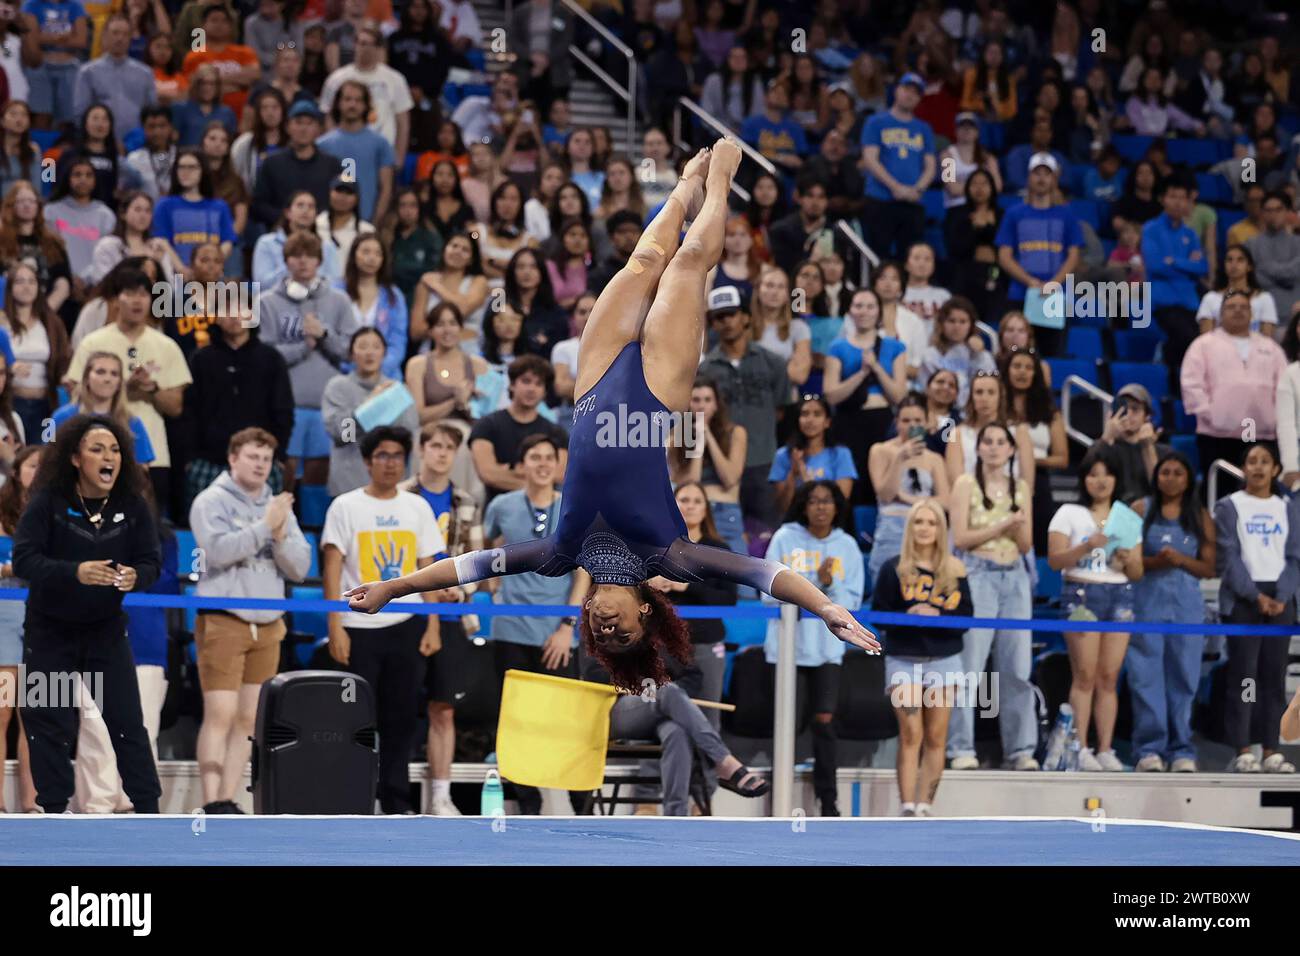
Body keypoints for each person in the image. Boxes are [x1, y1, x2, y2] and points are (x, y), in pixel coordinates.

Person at [346, 141, 879, 693]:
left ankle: (683, 188)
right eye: (622, 635)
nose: (605, 630)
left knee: (644, 261)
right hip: (657, 391)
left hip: (594, 384)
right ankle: (716, 179)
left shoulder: (561, 554)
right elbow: (764, 573)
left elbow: (473, 565)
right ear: (646, 616)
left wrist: (395, 587)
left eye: (601, 639)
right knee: (689, 263)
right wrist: (826, 608)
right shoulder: (667, 555)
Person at [13, 414, 162, 814]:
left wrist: (137, 576)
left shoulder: (132, 506)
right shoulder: (49, 503)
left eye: (114, 449)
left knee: (128, 722)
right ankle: (55, 810)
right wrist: (73, 572)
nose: (107, 456)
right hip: (50, 633)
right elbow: (24, 560)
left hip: (106, 633)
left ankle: (149, 809)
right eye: (97, 449)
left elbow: (152, 561)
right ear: (76, 458)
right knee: (49, 724)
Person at [322, 425, 444, 814]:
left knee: (402, 720)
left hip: (406, 626)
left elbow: (429, 570)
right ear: (366, 461)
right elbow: (332, 569)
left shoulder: (417, 507)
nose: (390, 463)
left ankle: (396, 802)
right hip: (358, 628)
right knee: (354, 721)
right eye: (382, 455)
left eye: (397, 456)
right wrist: (334, 626)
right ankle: (353, 800)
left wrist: (434, 622)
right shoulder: (345, 506)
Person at [189, 427, 310, 813]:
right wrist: (266, 527)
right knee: (220, 713)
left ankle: (228, 798)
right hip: (225, 618)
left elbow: (300, 567)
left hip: (269, 621)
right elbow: (218, 551)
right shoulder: (211, 502)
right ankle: (210, 801)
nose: (260, 465)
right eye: (252, 456)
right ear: (233, 458)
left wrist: (276, 532)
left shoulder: (278, 507)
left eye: (266, 459)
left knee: (248, 717)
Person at [481, 432, 587, 814]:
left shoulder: (576, 506)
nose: (542, 464)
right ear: (522, 465)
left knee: (567, 723)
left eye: (549, 458)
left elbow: (583, 573)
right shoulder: (501, 505)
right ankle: (529, 806)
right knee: (517, 722)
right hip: (510, 630)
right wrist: (494, 593)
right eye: (534, 457)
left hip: (556, 635)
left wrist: (566, 626)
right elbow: (484, 549)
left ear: (558, 465)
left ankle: (582, 808)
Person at [763, 480, 864, 816]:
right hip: (786, 650)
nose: (820, 507)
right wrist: (818, 588)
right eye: (813, 501)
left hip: (827, 652)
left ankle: (829, 804)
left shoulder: (847, 546)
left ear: (837, 507)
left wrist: (828, 585)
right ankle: (779, 803)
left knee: (824, 724)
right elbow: (766, 593)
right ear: (803, 506)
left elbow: (853, 600)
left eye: (827, 501)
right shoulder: (784, 538)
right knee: (784, 727)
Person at [1047, 443, 1145, 772]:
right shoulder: (1068, 513)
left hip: (1121, 595)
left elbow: (1137, 572)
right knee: (1085, 676)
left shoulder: (1127, 518)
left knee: (1109, 677)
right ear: (1083, 479)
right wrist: (1087, 545)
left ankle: (1105, 749)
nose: (1100, 481)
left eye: (1106, 475)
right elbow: (1055, 560)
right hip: (1081, 594)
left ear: (1116, 479)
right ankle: (1080, 748)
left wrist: (1130, 559)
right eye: (1092, 474)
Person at [947, 421, 1038, 771]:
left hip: (1014, 577)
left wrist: (1016, 531)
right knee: (970, 666)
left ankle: (1021, 750)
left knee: (1017, 668)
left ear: (1012, 449)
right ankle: (961, 748)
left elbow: (1028, 543)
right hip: (978, 575)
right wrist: (1003, 526)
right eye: (988, 441)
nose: (994, 447)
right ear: (979, 447)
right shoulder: (965, 484)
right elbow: (961, 538)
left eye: (1001, 442)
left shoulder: (1021, 487)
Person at [399, 423, 480, 816]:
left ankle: (440, 795)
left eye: (450, 447)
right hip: (405, 611)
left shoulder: (466, 501)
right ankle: (389, 793)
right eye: (435, 445)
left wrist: (459, 591)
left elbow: (481, 564)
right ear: (422, 449)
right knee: (397, 707)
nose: (442, 453)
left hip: (450, 615)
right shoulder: (401, 496)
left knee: (444, 708)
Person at [875, 499, 973, 816]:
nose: (925, 529)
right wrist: (911, 613)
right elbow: (880, 615)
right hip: (904, 659)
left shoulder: (956, 570)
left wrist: (938, 614)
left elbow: (966, 620)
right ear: (910, 528)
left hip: (944, 660)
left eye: (931, 523)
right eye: (919, 522)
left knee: (935, 736)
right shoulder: (893, 568)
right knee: (911, 733)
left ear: (940, 529)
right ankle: (906, 806)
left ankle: (925, 806)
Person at [65, 267, 188, 509]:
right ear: (115, 299)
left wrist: (151, 388)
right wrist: (121, 388)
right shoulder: (94, 342)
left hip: (152, 452)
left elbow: (176, 407)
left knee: (148, 527)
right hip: (95, 452)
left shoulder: (167, 346)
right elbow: (75, 393)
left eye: (144, 294)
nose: (137, 300)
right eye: (130, 293)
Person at [1214, 442, 1299, 773]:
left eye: (1266, 462)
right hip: (1244, 599)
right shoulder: (1229, 506)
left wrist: (1282, 594)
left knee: (1273, 678)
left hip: (1281, 598)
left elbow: (1295, 556)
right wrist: (1255, 596)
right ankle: (1242, 748)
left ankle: (1271, 749)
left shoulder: (1287, 507)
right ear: (1244, 469)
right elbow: (1229, 555)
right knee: (1243, 677)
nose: (1259, 467)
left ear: (1276, 470)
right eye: (1252, 461)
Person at [1130, 449, 1215, 773]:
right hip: (1146, 604)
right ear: (1156, 476)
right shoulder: (1141, 509)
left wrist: (1180, 561)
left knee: (1184, 678)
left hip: (1186, 608)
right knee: (1146, 678)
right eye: (1165, 472)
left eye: (1178, 472)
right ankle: (1148, 749)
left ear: (1188, 478)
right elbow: (1127, 561)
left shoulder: (1199, 515)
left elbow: (1208, 567)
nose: (1170, 478)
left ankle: (1182, 750)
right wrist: (1156, 562)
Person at [255, 230, 359, 487]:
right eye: (296, 256)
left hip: (328, 403)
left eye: (310, 256)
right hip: (287, 404)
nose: (303, 261)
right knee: (283, 467)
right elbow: (263, 356)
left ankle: (315, 525)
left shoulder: (339, 301)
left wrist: (323, 335)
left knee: (321, 471)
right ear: (286, 260)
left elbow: (351, 350)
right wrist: (304, 346)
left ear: (319, 261)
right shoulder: (266, 302)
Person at [698, 284, 789, 528]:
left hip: (763, 463)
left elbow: (782, 411)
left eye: (732, 314)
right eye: (719, 317)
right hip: (718, 470)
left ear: (746, 317)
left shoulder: (774, 363)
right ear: (712, 324)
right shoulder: (704, 371)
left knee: (766, 540)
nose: (726, 321)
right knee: (721, 544)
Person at [182, 305, 293, 503]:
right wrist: (190, 456)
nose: (234, 316)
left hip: (260, 459)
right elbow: (189, 412)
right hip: (208, 461)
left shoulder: (271, 358)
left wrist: (279, 454)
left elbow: (283, 410)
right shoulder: (200, 358)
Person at [1182, 290, 1287, 480]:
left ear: (1252, 313)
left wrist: (1276, 418)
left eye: (1243, 307)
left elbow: (1283, 388)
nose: (1238, 311)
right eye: (1231, 307)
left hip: (1260, 432)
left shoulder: (1271, 348)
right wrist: (1209, 414)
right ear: (1221, 313)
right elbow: (1191, 384)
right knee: (1220, 490)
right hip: (1217, 434)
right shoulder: (1203, 345)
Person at [823, 288, 908, 502]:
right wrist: (861, 373)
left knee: (880, 481)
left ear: (879, 312)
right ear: (850, 311)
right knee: (852, 485)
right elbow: (831, 395)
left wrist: (876, 368)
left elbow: (899, 396)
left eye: (870, 306)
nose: (864, 311)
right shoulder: (837, 347)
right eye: (858, 306)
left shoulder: (895, 347)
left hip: (883, 421)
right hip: (848, 421)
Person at [995, 152, 1083, 357]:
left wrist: (1053, 283)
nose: (1041, 178)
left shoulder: (1066, 215)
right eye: (1037, 173)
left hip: (1056, 295)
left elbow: (1073, 255)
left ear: (1055, 179)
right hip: (1021, 293)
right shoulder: (1014, 213)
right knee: (1017, 354)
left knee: (1053, 353)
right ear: (1028, 177)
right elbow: (1004, 255)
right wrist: (1030, 281)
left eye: (1047, 173)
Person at [321, 327, 420, 496]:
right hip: (349, 484)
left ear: (384, 353)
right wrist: (370, 406)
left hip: (392, 485)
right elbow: (343, 435)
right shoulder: (338, 386)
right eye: (363, 346)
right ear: (352, 354)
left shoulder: (395, 391)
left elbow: (409, 435)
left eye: (375, 347)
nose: (369, 353)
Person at [867, 395, 951, 589]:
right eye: (906, 421)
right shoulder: (880, 450)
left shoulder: (934, 459)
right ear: (896, 423)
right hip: (891, 529)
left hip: (925, 529)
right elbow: (885, 494)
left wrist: (908, 498)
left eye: (917, 421)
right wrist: (899, 457)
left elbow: (945, 501)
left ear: (927, 422)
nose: (912, 425)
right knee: (887, 589)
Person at [467, 354, 568, 502]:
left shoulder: (556, 432)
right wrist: (537, 480)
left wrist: (509, 472)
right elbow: (488, 473)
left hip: (544, 511)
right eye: (526, 381)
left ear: (545, 391)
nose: (532, 389)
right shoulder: (486, 425)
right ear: (512, 384)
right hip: (498, 509)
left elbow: (559, 474)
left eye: (539, 384)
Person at [667, 376, 748, 557]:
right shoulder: (676, 436)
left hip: (726, 514)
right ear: (688, 404)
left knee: (741, 581)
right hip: (691, 516)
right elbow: (690, 484)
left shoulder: (735, 433)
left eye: (707, 400)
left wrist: (709, 436)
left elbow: (729, 478)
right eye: (696, 400)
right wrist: (699, 442)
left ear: (716, 404)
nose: (702, 406)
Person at [0, 444, 39, 811]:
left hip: (42, 616)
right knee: (2, 711)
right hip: (4, 615)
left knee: (37, 713)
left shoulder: (56, 512)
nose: (38, 471)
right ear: (17, 472)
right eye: (32, 466)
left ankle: (33, 802)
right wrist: (17, 568)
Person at [859, 72, 935, 261]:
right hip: (880, 198)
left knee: (911, 258)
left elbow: (931, 166)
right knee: (877, 256)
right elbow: (870, 159)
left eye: (916, 93)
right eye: (906, 89)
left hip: (913, 202)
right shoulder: (876, 122)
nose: (910, 95)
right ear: (897, 90)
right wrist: (895, 187)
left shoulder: (924, 128)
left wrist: (917, 189)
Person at [1143, 172, 1207, 397]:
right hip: (1164, 304)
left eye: (1183, 197)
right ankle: (1172, 385)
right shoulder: (1151, 229)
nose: (1178, 202)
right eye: (1173, 196)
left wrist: (1175, 261)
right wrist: (1188, 263)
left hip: (1189, 303)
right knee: (1187, 339)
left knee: (1202, 342)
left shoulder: (1190, 234)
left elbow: (1203, 267)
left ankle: (1183, 388)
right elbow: (1155, 265)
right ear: (1163, 199)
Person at [1002, 345, 1068, 550]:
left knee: (1038, 543)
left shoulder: (1050, 412)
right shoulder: (996, 407)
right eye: (1017, 366)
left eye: (1028, 367)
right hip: (1002, 478)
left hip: (1039, 482)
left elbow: (1062, 458)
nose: (1022, 371)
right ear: (1007, 370)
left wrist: (1028, 460)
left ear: (1036, 374)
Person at [0, 260, 71, 442]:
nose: (27, 287)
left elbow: (63, 357)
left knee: (45, 452)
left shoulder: (51, 322)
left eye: (32, 281)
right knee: (15, 454)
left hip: (46, 405)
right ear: (9, 287)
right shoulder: (2, 323)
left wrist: (65, 377)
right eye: (20, 282)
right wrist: (10, 369)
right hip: (11, 403)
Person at [51, 350, 155, 465]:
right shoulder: (58, 417)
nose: (107, 379)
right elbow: (44, 455)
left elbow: (142, 468)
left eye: (114, 374)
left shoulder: (133, 422)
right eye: (100, 372)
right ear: (86, 378)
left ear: (120, 383)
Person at [251, 100, 342, 232]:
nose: (303, 129)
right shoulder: (272, 163)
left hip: (323, 234)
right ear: (288, 126)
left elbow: (340, 203)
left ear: (318, 128)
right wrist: (289, 218)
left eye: (309, 123)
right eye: (298, 122)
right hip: (280, 235)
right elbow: (258, 204)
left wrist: (315, 220)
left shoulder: (333, 165)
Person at [317, 78, 395, 225]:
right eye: (347, 99)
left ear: (366, 105)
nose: (352, 104)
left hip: (367, 223)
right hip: (328, 225)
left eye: (358, 100)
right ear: (338, 103)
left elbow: (386, 188)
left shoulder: (381, 143)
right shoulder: (322, 145)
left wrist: (375, 223)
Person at [150, 146, 236, 269]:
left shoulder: (219, 206)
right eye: (181, 167)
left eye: (192, 167)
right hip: (176, 278)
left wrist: (212, 267)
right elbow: (162, 241)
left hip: (211, 279)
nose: (185, 172)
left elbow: (227, 242)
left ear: (203, 171)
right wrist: (181, 269)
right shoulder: (165, 205)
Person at [770, 395, 856, 515]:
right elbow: (783, 508)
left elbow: (841, 502)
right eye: (805, 414)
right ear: (798, 419)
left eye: (817, 414)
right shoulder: (783, 455)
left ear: (827, 422)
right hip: (795, 524)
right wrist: (793, 474)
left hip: (830, 525)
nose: (810, 420)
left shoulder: (840, 454)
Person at [341, 234, 406, 381]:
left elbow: (398, 341)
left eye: (378, 254)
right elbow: (332, 337)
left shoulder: (394, 296)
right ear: (353, 255)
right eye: (366, 252)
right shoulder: (336, 291)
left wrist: (377, 369)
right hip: (343, 373)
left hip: (386, 376)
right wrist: (352, 367)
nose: (372, 258)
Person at [44, 156, 116, 285]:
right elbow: (50, 252)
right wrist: (68, 279)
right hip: (59, 282)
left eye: (89, 175)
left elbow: (107, 256)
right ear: (67, 178)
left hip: (96, 284)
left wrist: (85, 280)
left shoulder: (106, 215)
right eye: (77, 174)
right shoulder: (50, 212)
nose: (83, 179)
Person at [252, 191, 343, 289]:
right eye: (300, 205)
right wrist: (290, 266)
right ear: (288, 212)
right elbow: (260, 285)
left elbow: (336, 284)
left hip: (317, 301)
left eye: (311, 207)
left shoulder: (326, 246)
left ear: (316, 215)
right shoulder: (266, 243)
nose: (305, 210)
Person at [918, 296, 995, 409]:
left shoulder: (983, 356)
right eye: (951, 321)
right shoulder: (930, 355)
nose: (957, 326)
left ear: (971, 325)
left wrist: (978, 354)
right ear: (942, 324)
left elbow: (991, 388)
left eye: (963, 322)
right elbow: (925, 391)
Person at [1197, 244, 1279, 336]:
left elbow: (1267, 339)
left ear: (1249, 266)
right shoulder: (1210, 298)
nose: (1234, 264)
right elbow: (1206, 339)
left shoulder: (1264, 298)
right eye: (1229, 260)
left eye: (1240, 260)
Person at [1246, 190, 1300, 324]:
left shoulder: (1298, 243)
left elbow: (1295, 273)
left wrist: (1264, 268)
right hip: (1260, 316)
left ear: (1287, 212)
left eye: (1278, 210)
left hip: (1295, 315)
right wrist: (1286, 277)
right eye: (1268, 210)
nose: (1273, 215)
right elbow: (1255, 278)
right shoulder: (1250, 245)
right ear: (1262, 213)